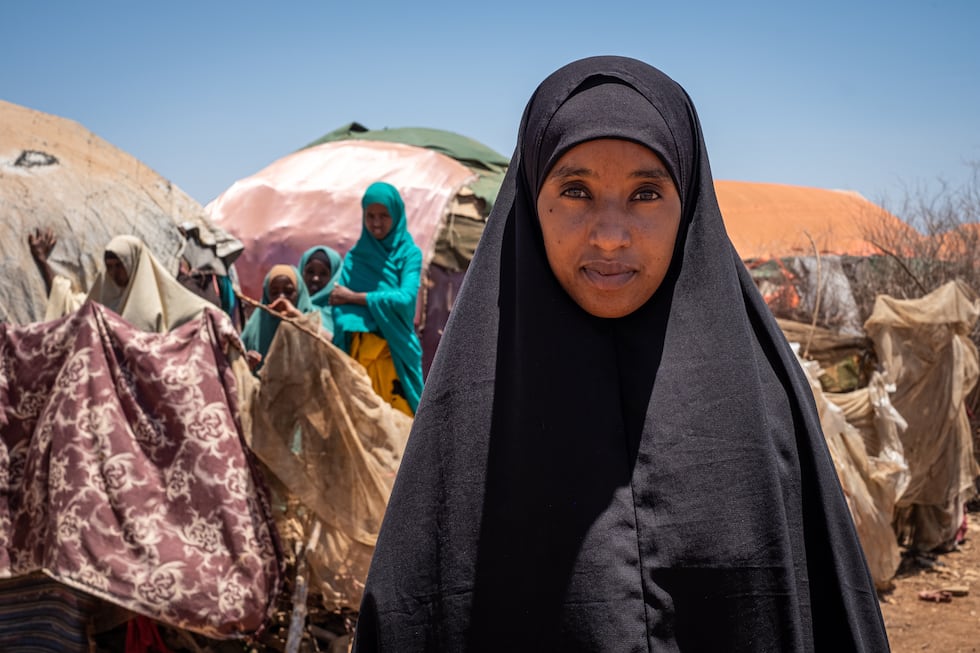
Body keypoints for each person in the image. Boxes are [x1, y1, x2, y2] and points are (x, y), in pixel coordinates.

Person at [352, 56, 890, 651]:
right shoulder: (468, 425)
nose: (610, 233)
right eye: (576, 190)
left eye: (646, 193)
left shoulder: (765, 413)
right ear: (532, 199)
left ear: (688, 204)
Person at [329, 182, 424, 418]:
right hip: (360, 356)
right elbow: (338, 306)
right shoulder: (355, 257)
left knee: (401, 425)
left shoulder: (409, 254)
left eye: (384, 216)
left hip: (395, 354)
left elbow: (405, 298)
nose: (376, 223)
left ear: (396, 215)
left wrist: (356, 298)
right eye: (370, 216)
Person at [30, 231, 215, 333]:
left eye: (120, 265)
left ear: (134, 264)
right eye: (109, 267)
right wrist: (42, 261)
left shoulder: (160, 305)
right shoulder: (103, 301)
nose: (114, 273)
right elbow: (68, 302)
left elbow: (200, 313)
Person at [240, 264, 314, 372]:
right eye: (275, 292)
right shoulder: (255, 329)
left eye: (288, 291)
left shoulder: (312, 320)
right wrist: (247, 363)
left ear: (299, 292)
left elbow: (327, 351)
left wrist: (299, 319)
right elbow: (237, 364)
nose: (281, 298)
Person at [299, 245, 344, 336]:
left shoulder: (341, 314)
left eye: (323, 273)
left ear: (334, 278)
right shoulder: (289, 307)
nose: (315, 279)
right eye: (310, 271)